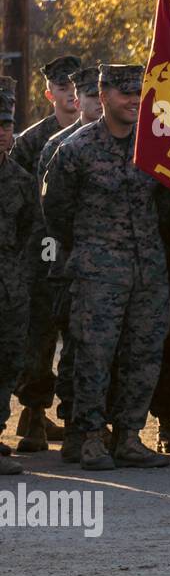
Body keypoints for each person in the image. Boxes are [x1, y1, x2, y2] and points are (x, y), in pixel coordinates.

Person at [42, 64, 170, 471]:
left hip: (148, 271)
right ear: (103, 97)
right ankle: (90, 437)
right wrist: (91, 246)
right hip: (97, 272)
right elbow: (55, 210)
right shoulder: (76, 149)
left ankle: (129, 436)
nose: (134, 100)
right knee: (93, 356)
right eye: (125, 93)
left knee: (144, 354)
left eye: (139, 93)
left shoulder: (153, 146)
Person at [11, 55, 83, 451]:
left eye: (75, 86)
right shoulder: (31, 141)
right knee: (39, 335)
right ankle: (34, 414)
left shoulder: (91, 135)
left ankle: (73, 417)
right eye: (62, 87)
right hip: (39, 255)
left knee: (76, 333)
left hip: (76, 252)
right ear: (49, 93)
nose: (70, 94)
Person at [34, 66, 103, 463]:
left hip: (117, 267)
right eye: (89, 96)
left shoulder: (130, 142)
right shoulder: (59, 146)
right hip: (71, 266)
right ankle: (75, 423)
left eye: (100, 95)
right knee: (76, 348)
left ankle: (105, 427)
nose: (96, 103)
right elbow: (50, 212)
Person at [0, 92, 37, 474]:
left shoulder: (21, 181)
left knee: (9, 360)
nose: (1, 131)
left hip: (9, 286)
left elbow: (29, 231)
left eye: (6, 124)